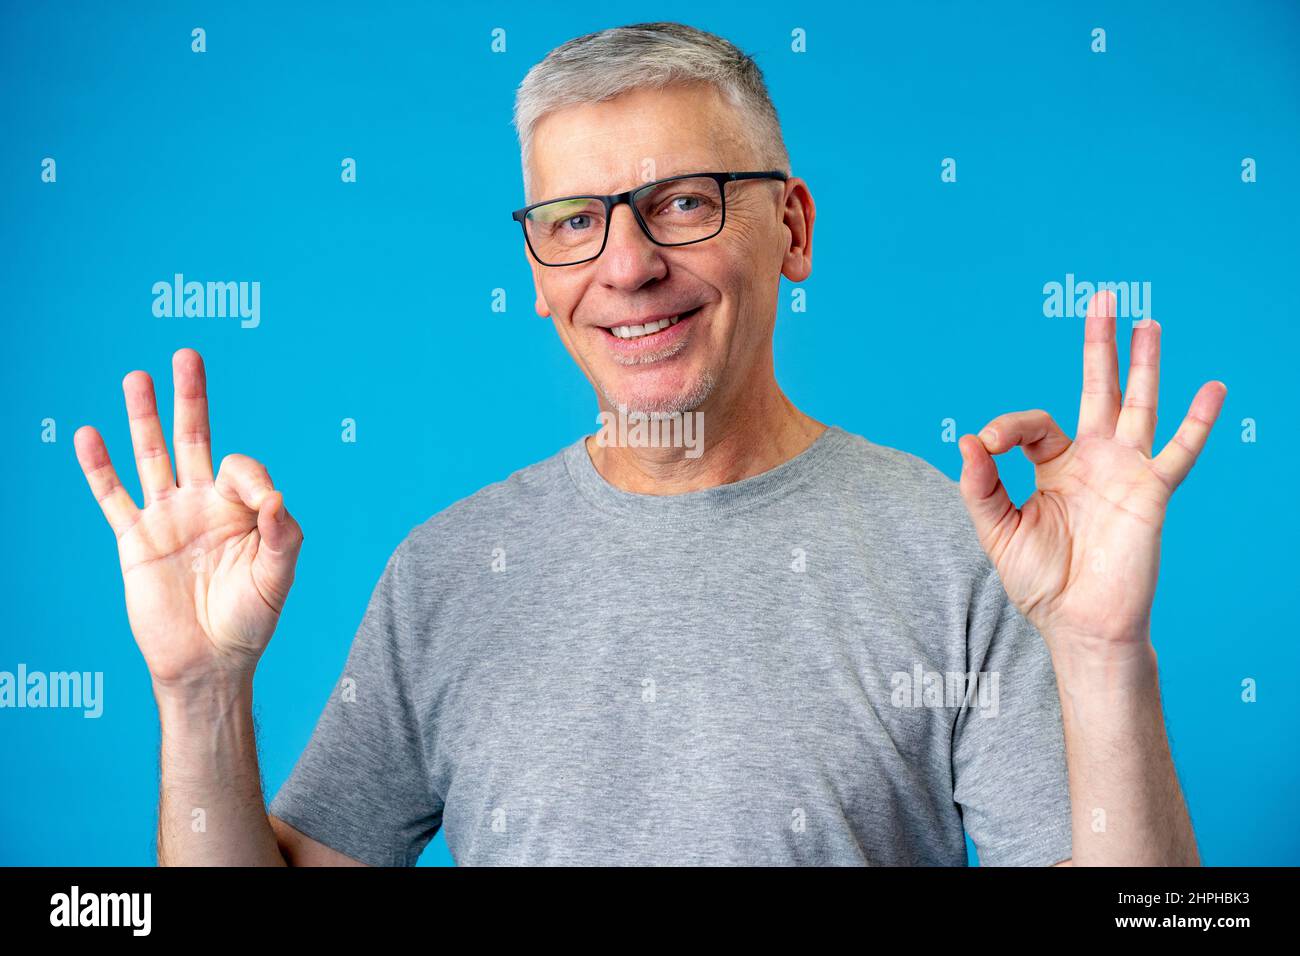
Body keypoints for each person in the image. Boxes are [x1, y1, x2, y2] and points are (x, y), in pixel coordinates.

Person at [74, 22, 1224, 866]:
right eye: (575, 222)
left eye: (683, 201)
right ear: (537, 273)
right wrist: (198, 693)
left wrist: (1104, 650)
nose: (626, 266)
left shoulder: (958, 549)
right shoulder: (445, 571)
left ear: (793, 227)